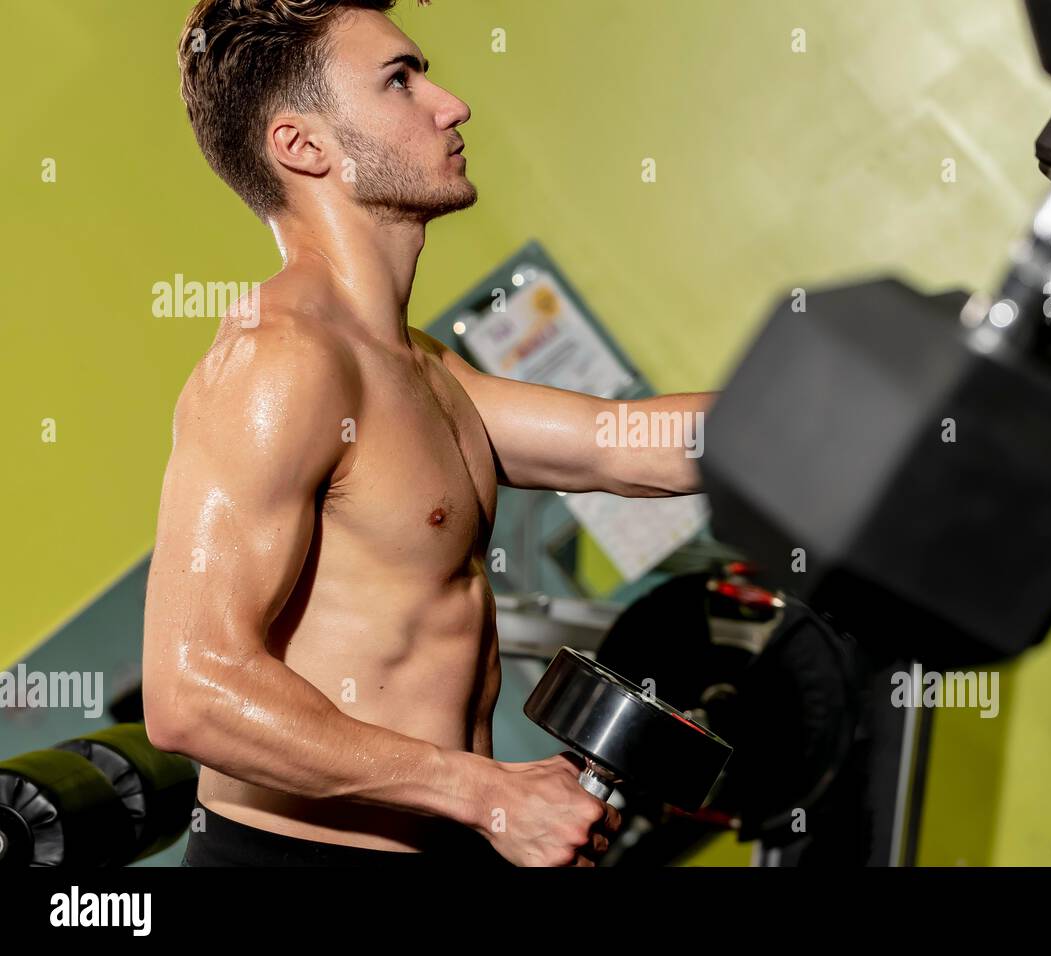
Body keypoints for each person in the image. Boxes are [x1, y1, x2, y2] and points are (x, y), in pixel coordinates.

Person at [145, 0, 712, 867]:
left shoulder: (421, 368)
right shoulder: (282, 363)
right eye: (400, 81)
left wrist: (862, 414)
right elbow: (191, 689)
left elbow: (621, 442)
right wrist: (487, 796)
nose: (451, 104)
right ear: (304, 147)